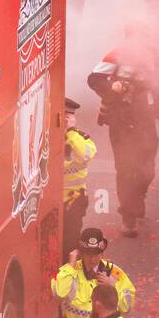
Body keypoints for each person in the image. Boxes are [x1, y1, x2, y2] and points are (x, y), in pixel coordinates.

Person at [87, 29, 159, 237]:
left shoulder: (158, 57)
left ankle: (137, 197)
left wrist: (147, 82)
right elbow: (94, 79)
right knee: (125, 168)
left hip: (146, 119)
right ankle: (128, 217)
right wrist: (112, 87)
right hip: (121, 119)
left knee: (147, 169)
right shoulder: (116, 54)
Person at [62, 98, 96, 259]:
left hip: (73, 201)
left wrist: (71, 132)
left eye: (67, 117)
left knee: (69, 242)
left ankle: (69, 275)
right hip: (49, 202)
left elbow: (84, 154)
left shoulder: (81, 139)